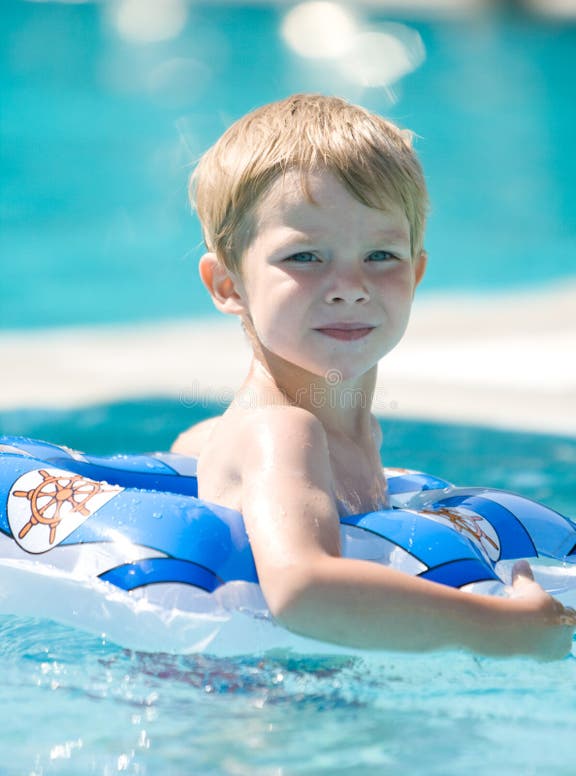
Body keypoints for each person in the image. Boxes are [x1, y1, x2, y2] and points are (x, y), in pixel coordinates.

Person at [172, 94, 576, 658]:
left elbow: (205, 446)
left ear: (417, 273)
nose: (350, 285)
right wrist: (501, 629)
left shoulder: (337, 434)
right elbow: (305, 590)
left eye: (381, 256)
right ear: (228, 286)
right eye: (306, 257)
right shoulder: (283, 433)